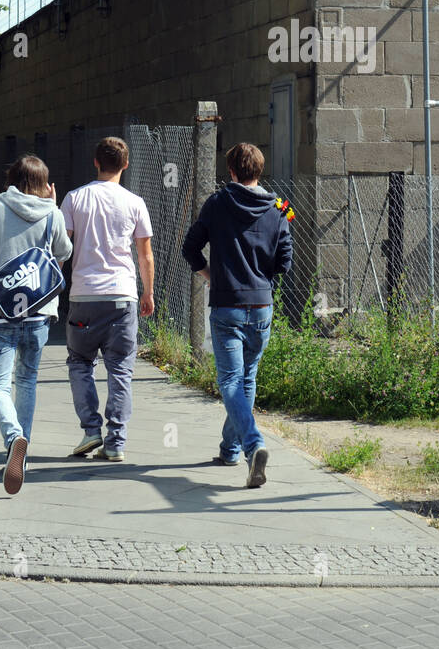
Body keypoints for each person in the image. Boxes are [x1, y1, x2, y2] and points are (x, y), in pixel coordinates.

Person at [181, 142, 293, 489]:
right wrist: (263, 280)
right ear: (260, 170)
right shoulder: (278, 207)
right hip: (261, 305)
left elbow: (189, 248)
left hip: (227, 304)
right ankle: (230, 449)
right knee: (246, 380)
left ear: (231, 171)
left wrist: (212, 276)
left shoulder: (217, 203)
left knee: (230, 381)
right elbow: (285, 259)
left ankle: (252, 444)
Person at [0, 155, 72, 495]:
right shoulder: (52, 213)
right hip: (39, 311)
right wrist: (53, 211)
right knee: (27, 381)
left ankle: (14, 438)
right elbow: (64, 253)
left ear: (11, 178)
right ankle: (22, 455)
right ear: (44, 182)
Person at [60, 137, 154, 463]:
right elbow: (145, 256)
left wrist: (55, 286)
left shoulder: (74, 199)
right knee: (121, 370)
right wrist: (148, 292)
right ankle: (115, 441)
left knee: (80, 362)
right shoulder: (135, 203)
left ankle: (89, 430)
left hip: (84, 297)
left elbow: (61, 249)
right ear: (126, 165)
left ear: (96, 162)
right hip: (123, 296)